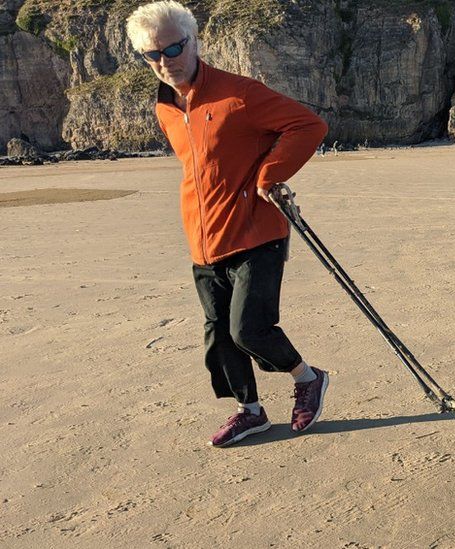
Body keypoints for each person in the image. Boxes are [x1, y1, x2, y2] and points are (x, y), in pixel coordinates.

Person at [126, 1, 331, 447]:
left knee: (248, 329)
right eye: (152, 55)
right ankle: (250, 412)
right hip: (203, 241)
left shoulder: (239, 93)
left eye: (173, 48)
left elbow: (307, 125)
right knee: (219, 337)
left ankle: (308, 378)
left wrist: (269, 175)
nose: (165, 62)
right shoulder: (165, 107)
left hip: (256, 233)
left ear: (194, 40)